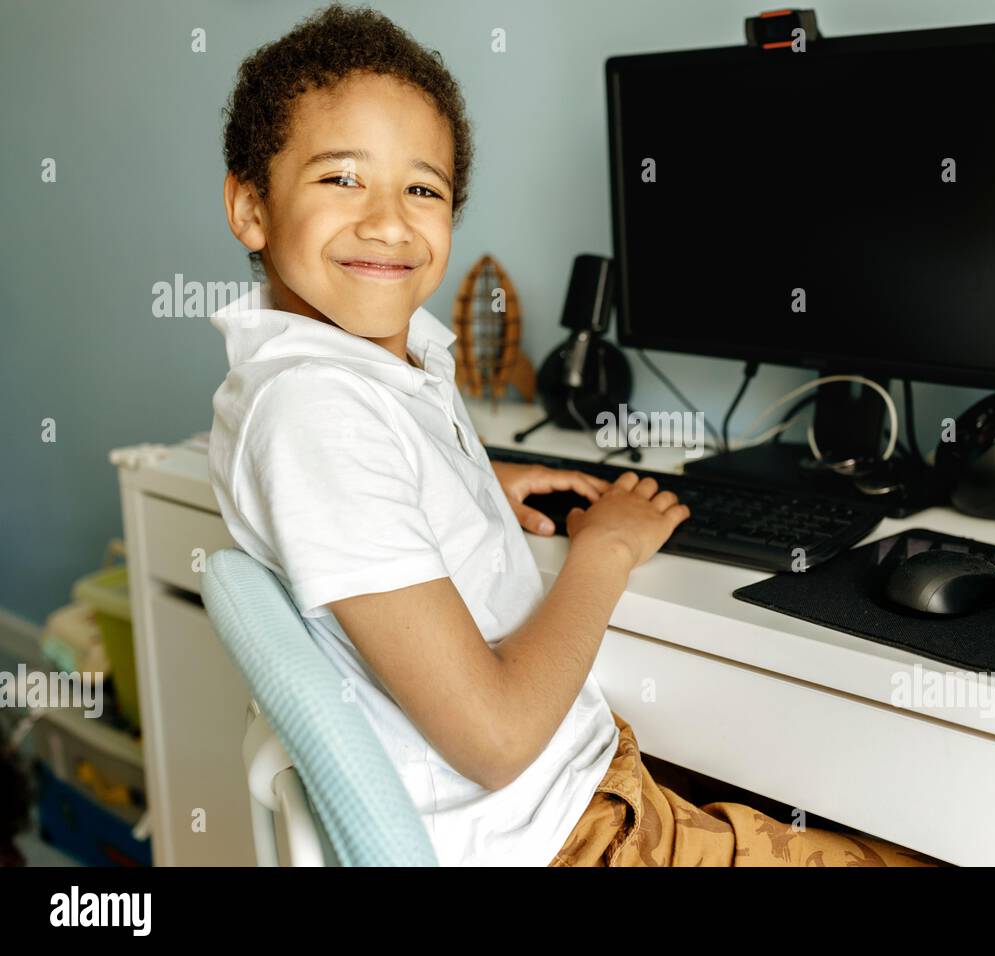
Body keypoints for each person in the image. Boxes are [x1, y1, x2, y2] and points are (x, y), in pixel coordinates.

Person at [209, 3, 945, 868]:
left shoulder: (325, 378)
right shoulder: (318, 414)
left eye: (423, 188)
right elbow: (494, 738)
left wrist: (476, 475)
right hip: (571, 840)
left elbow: (362, 461)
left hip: (569, 810)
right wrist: (608, 550)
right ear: (251, 207)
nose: (389, 221)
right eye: (341, 178)